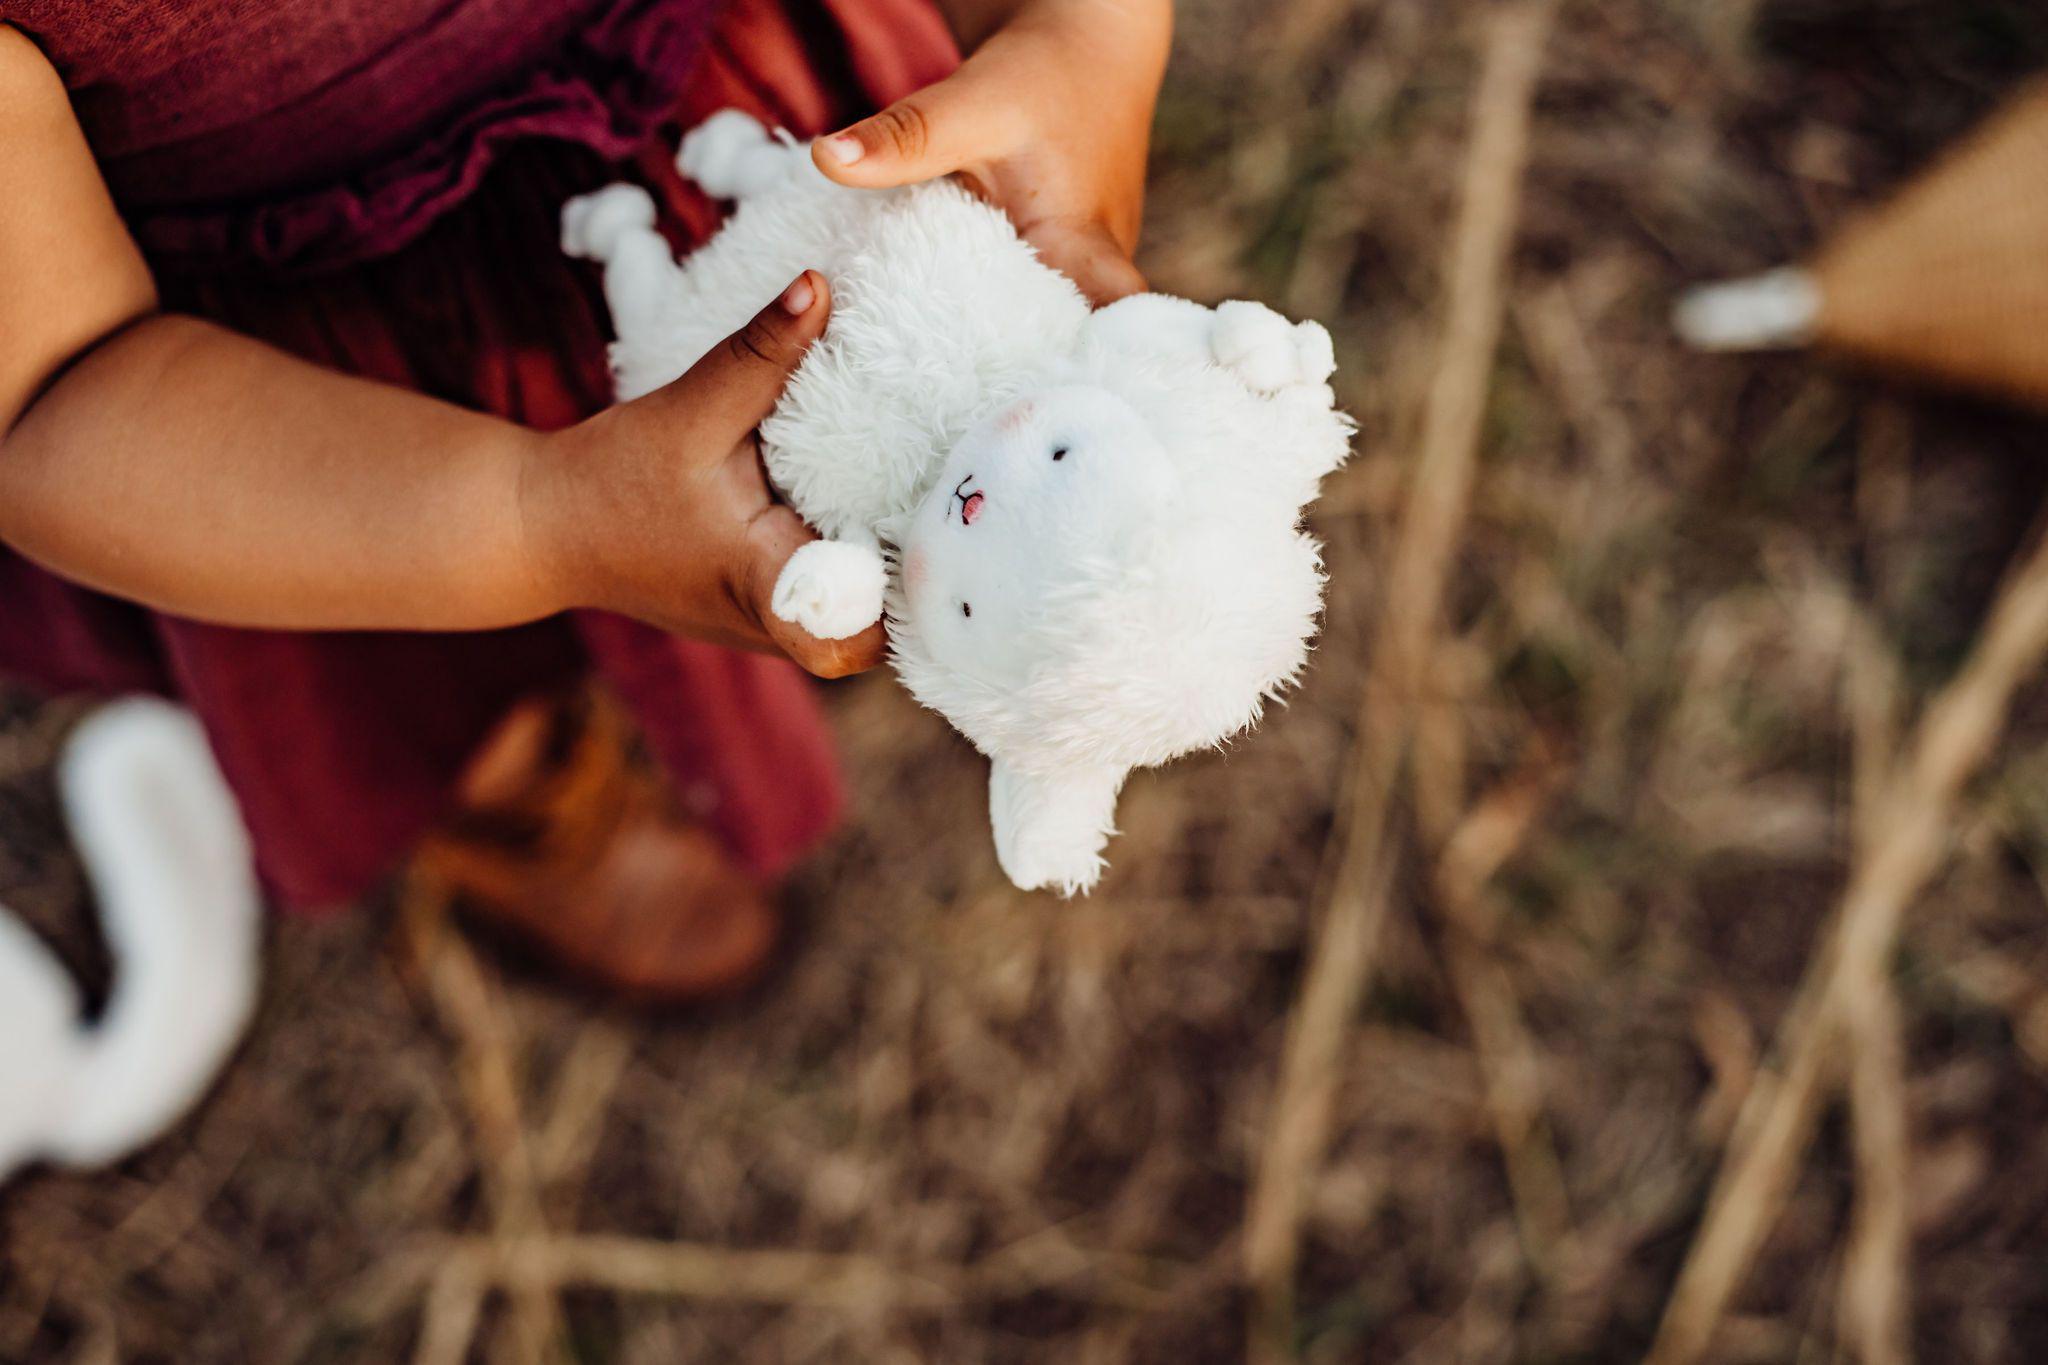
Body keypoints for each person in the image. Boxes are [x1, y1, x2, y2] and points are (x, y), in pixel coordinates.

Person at [0, 0, 1168, 998]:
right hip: (288, 384)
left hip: (743, 125)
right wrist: (531, 524)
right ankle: (511, 789)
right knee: (406, 640)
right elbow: (49, 392)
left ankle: (691, 674)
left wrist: (1090, 36)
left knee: (773, 507)